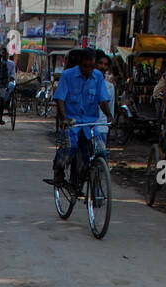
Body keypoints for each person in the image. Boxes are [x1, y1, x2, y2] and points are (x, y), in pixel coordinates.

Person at [51, 47, 113, 185]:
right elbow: (60, 98)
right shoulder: (68, 75)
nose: (88, 70)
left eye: (91, 66)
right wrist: (64, 118)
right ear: (80, 63)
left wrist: (109, 114)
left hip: (89, 123)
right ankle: (59, 169)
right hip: (72, 121)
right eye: (85, 66)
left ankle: (88, 180)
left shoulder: (98, 77)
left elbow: (102, 99)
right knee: (70, 147)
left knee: (100, 151)